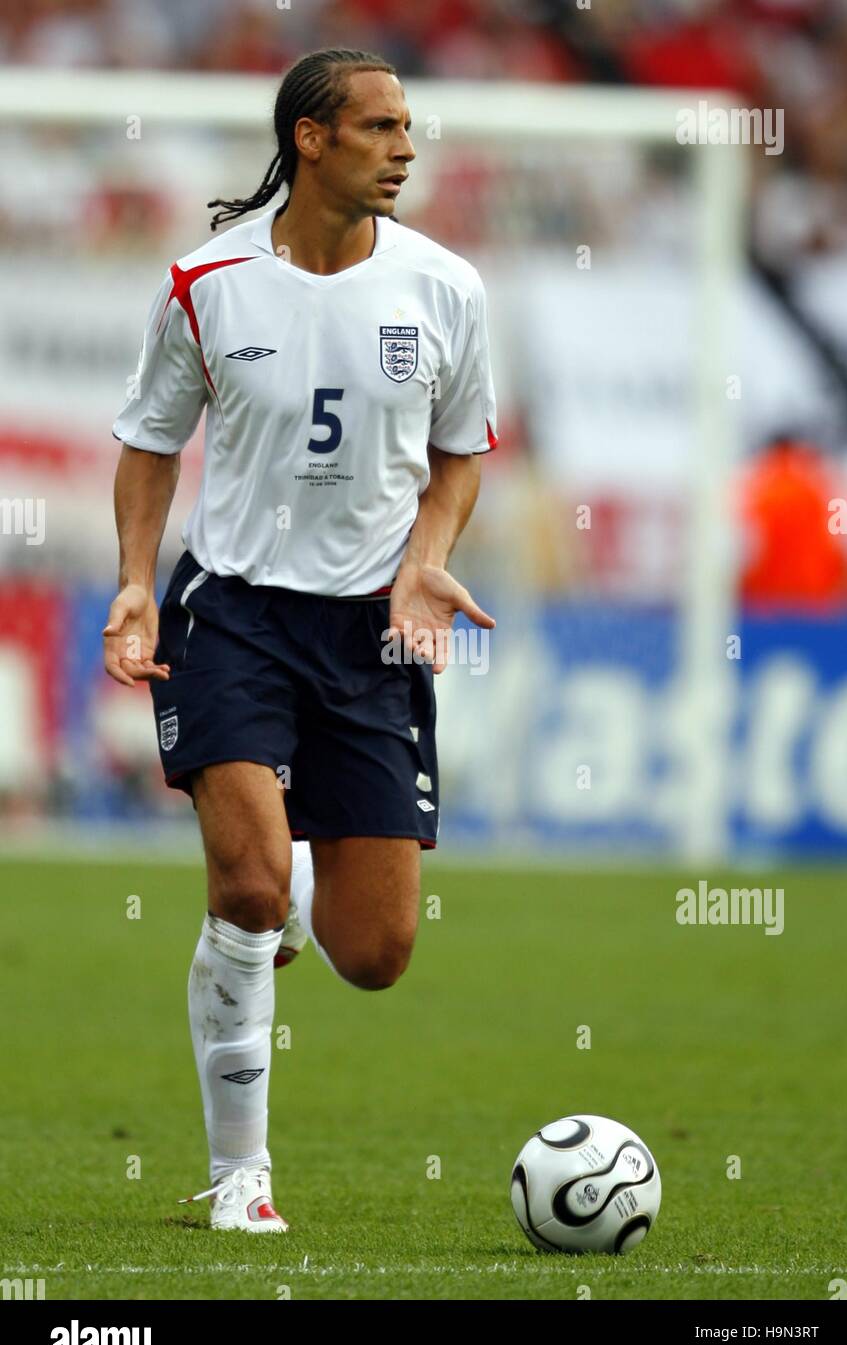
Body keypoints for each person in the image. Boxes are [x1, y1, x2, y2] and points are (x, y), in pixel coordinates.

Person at [103, 48, 498, 1232]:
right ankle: (241, 1179)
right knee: (246, 890)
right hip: (230, 612)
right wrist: (132, 583)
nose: (406, 147)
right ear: (312, 140)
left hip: (368, 630)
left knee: (373, 952)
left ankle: (293, 880)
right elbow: (149, 440)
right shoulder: (209, 282)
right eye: (380, 127)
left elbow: (462, 450)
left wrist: (427, 554)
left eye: (409, 127)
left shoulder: (446, 289)